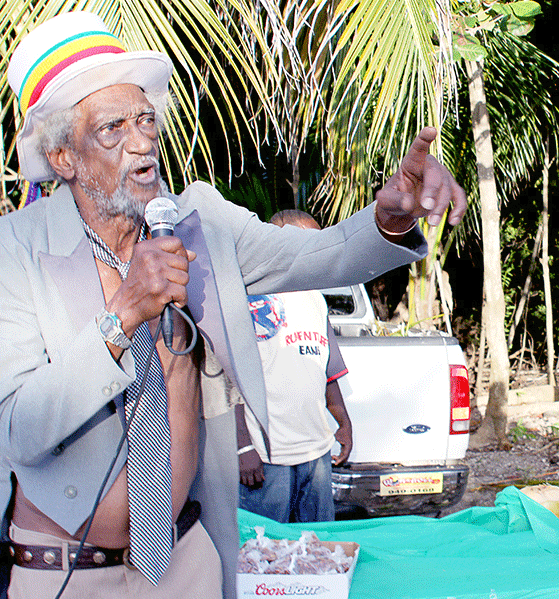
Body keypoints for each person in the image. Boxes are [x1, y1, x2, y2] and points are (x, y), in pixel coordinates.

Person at [0, 10, 465, 599]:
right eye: (113, 127)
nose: (143, 141)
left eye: (146, 119)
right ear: (65, 158)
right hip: (64, 571)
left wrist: (390, 218)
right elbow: (18, 430)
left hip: (183, 561)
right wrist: (122, 318)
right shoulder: (14, 252)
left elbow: (316, 256)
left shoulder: (197, 223)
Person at [235, 210, 353, 523]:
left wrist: (343, 422)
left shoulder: (316, 297)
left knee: (317, 550)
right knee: (265, 555)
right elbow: (226, 380)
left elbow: (326, 368)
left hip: (316, 455)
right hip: (267, 457)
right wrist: (242, 448)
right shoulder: (249, 294)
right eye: (309, 242)